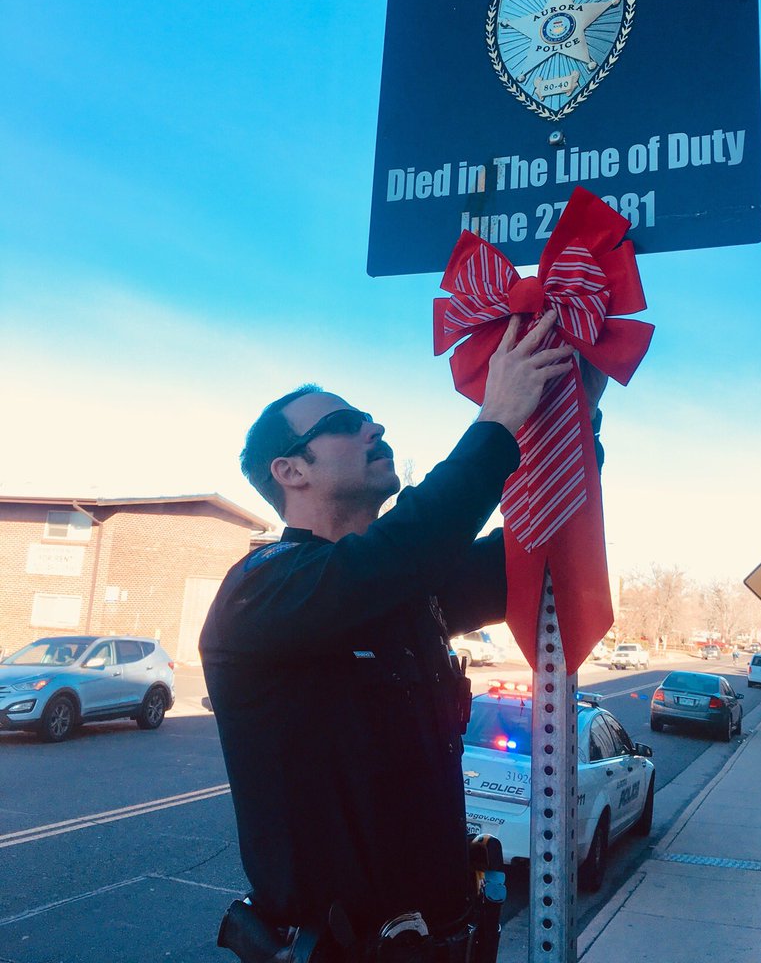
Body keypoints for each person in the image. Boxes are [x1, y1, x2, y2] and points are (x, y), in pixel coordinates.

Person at [200, 311, 605, 962]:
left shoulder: (410, 586)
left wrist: (573, 414)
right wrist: (496, 420)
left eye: (369, 416)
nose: (375, 425)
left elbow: (539, 548)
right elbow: (408, 544)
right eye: (343, 423)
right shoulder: (261, 592)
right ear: (290, 470)